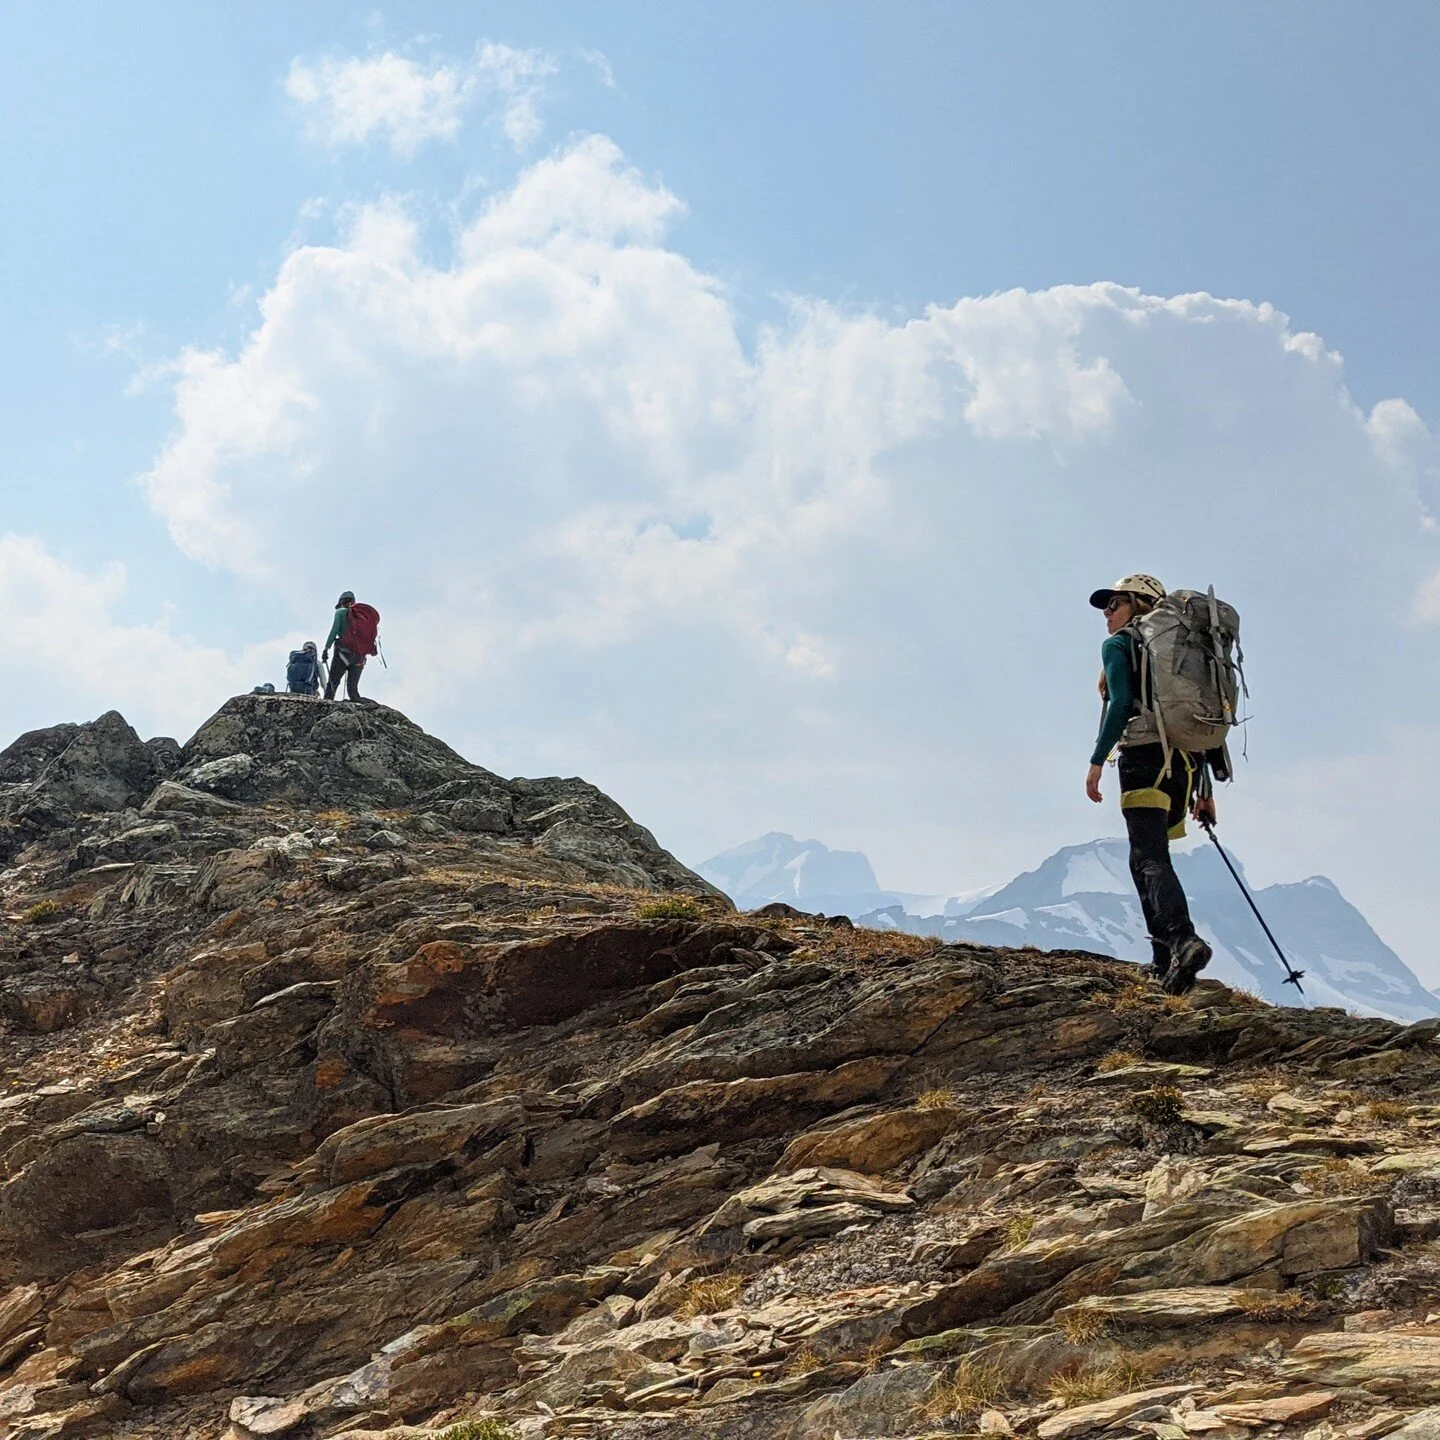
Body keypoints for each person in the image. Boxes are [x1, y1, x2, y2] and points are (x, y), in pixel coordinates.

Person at [1085, 573, 1218, 996]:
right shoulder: (1174, 653)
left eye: (1114, 603)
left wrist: (1096, 760)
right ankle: (1165, 960)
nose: (1107, 614)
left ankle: (1182, 940)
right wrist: (1205, 793)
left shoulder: (1120, 644)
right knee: (1148, 857)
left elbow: (1121, 703)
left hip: (1143, 759)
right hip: (1182, 768)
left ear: (1138, 604)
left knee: (1147, 858)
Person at [322, 591, 380, 702]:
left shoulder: (340, 612)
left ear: (342, 602)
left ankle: (325, 708)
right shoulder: (362, 616)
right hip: (360, 657)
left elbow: (334, 632)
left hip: (343, 653)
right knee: (353, 691)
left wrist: (326, 649)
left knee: (333, 684)